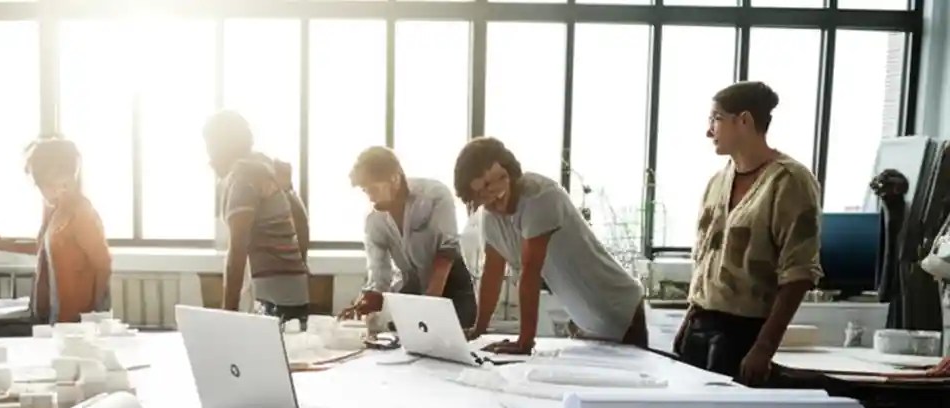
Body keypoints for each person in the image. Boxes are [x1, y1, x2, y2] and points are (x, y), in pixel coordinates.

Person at [674, 81, 823, 385]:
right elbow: (705, 260)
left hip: (744, 331)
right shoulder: (717, 181)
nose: (708, 131)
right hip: (699, 324)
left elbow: (798, 273)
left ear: (743, 120)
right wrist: (687, 322)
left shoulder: (788, 181)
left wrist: (764, 348)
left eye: (715, 119)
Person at [452, 137, 648, 354]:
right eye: (481, 195)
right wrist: (478, 330)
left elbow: (531, 272)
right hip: (589, 322)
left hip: (620, 309)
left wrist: (524, 341)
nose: (491, 201)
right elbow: (492, 273)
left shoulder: (540, 196)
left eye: (491, 186)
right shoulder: (491, 215)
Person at [338, 146, 477, 328]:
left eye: (374, 188)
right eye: (365, 191)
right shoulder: (374, 220)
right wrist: (364, 301)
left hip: (451, 282)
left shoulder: (434, 195)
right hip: (413, 285)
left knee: (455, 344)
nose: (370, 197)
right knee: (408, 345)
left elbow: (448, 249)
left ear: (395, 178)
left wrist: (429, 304)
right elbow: (379, 273)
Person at [0, 137, 112, 325]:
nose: (41, 190)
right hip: (48, 317)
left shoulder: (81, 212)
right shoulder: (55, 211)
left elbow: (103, 264)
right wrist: (1, 244)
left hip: (72, 323)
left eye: (43, 184)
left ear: (61, 177)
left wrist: (95, 317)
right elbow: (41, 248)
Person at [202, 110, 311, 328]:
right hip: (292, 292)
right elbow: (300, 224)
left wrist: (228, 315)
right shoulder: (264, 168)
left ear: (220, 146)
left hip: (270, 297)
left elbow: (238, 249)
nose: (210, 159)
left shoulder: (242, 177)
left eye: (210, 147)